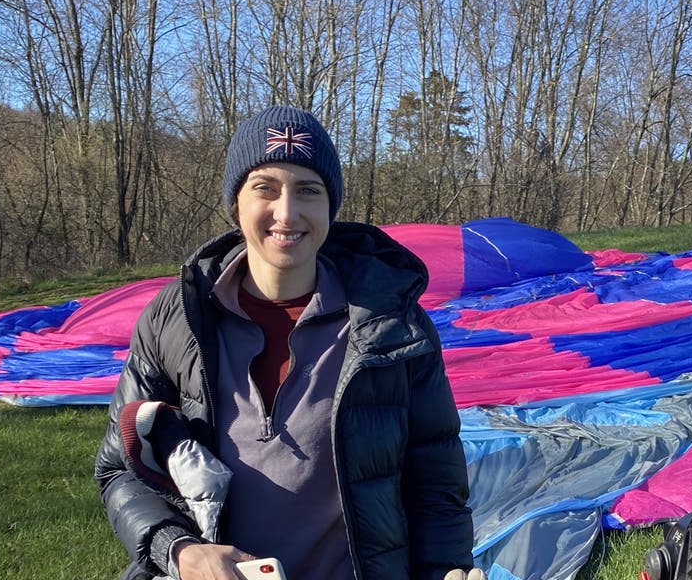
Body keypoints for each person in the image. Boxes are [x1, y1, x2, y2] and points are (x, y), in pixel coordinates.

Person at [95, 105, 479, 580]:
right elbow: (119, 471)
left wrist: (447, 570)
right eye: (265, 188)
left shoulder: (392, 322)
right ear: (235, 203)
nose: (287, 212)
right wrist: (180, 550)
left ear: (330, 207)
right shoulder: (175, 318)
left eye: (308, 191)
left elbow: (436, 484)